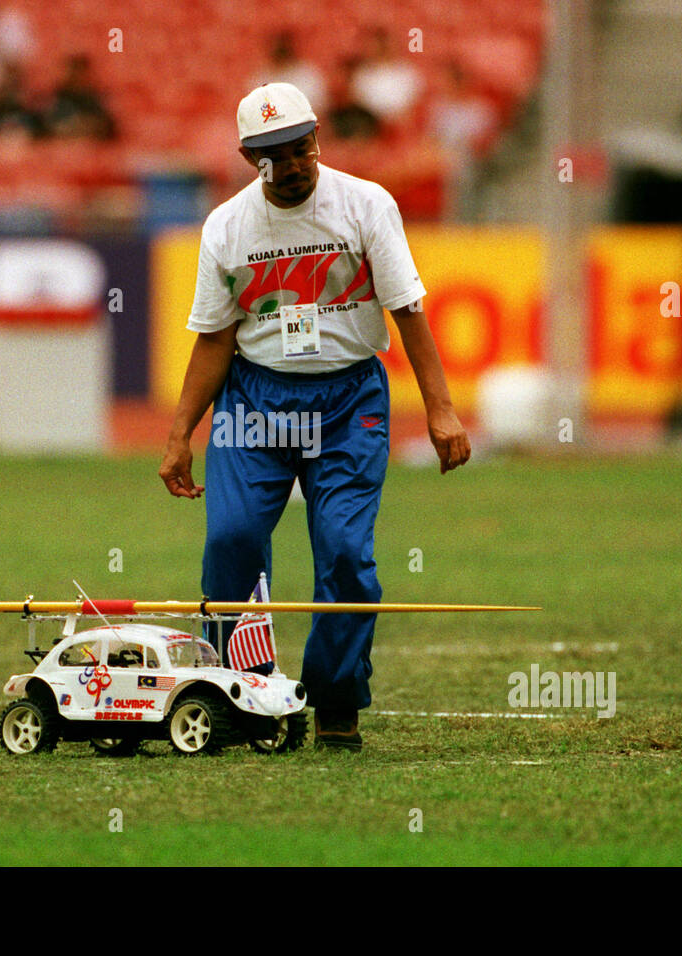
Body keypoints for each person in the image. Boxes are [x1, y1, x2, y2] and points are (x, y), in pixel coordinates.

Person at [158, 82, 470, 751]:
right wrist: (180, 432)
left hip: (348, 402)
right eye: (276, 155)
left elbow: (407, 309)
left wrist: (441, 411)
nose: (294, 164)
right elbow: (214, 339)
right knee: (231, 541)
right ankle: (239, 690)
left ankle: (334, 698)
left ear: (317, 139)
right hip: (254, 399)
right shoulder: (227, 228)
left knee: (348, 556)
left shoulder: (365, 205)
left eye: (302, 148)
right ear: (249, 157)